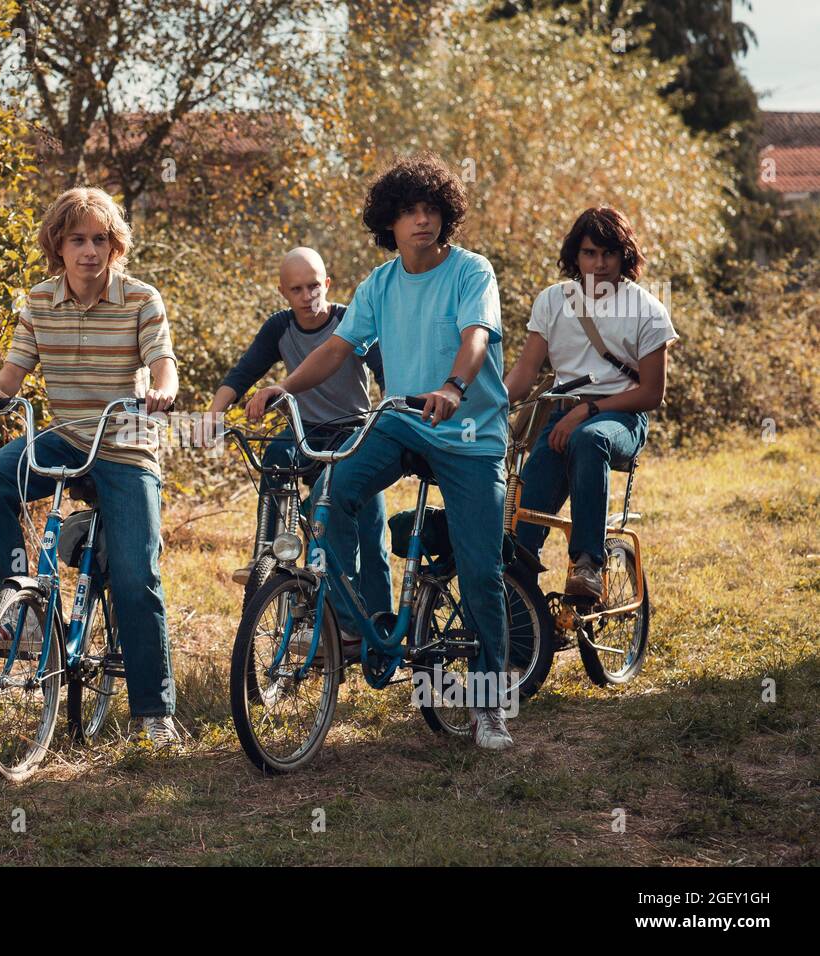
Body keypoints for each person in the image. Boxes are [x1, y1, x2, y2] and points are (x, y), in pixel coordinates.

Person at [246, 153, 514, 750]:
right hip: (399, 421)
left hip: (471, 436)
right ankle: (355, 620)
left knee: (479, 572)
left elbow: (475, 338)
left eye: (431, 210)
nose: (422, 221)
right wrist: (280, 388)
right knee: (330, 494)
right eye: (408, 212)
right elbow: (338, 350)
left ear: (446, 217)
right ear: (387, 222)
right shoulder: (379, 283)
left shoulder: (473, 272)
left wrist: (453, 387)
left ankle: (490, 703)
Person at [0, 187, 182, 750]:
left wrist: (162, 392)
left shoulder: (140, 298)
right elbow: (13, 370)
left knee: (138, 577)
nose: (90, 251)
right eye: (78, 240)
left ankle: (154, 710)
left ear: (115, 246)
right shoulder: (37, 301)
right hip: (64, 437)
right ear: (57, 246)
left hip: (126, 444)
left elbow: (164, 365)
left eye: (100, 240)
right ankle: (25, 610)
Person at [504, 206, 676, 599]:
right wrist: (482, 405)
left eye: (609, 254)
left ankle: (588, 564)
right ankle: (522, 639)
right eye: (589, 253)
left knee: (589, 439)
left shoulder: (646, 308)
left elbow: (652, 393)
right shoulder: (552, 301)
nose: (599, 263)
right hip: (560, 420)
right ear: (574, 256)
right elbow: (524, 372)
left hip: (621, 418)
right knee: (518, 534)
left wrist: (587, 410)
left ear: (624, 256)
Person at [207, 247, 386, 605]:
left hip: (353, 429)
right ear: (283, 292)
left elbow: (386, 372)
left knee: (371, 527)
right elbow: (244, 373)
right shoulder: (279, 326)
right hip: (304, 429)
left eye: (314, 287)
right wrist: (213, 414)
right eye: (297, 290)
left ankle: (379, 617)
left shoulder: (349, 321)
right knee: (275, 453)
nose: (307, 297)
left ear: (327, 284)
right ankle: (267, 551)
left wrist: (392, 417)